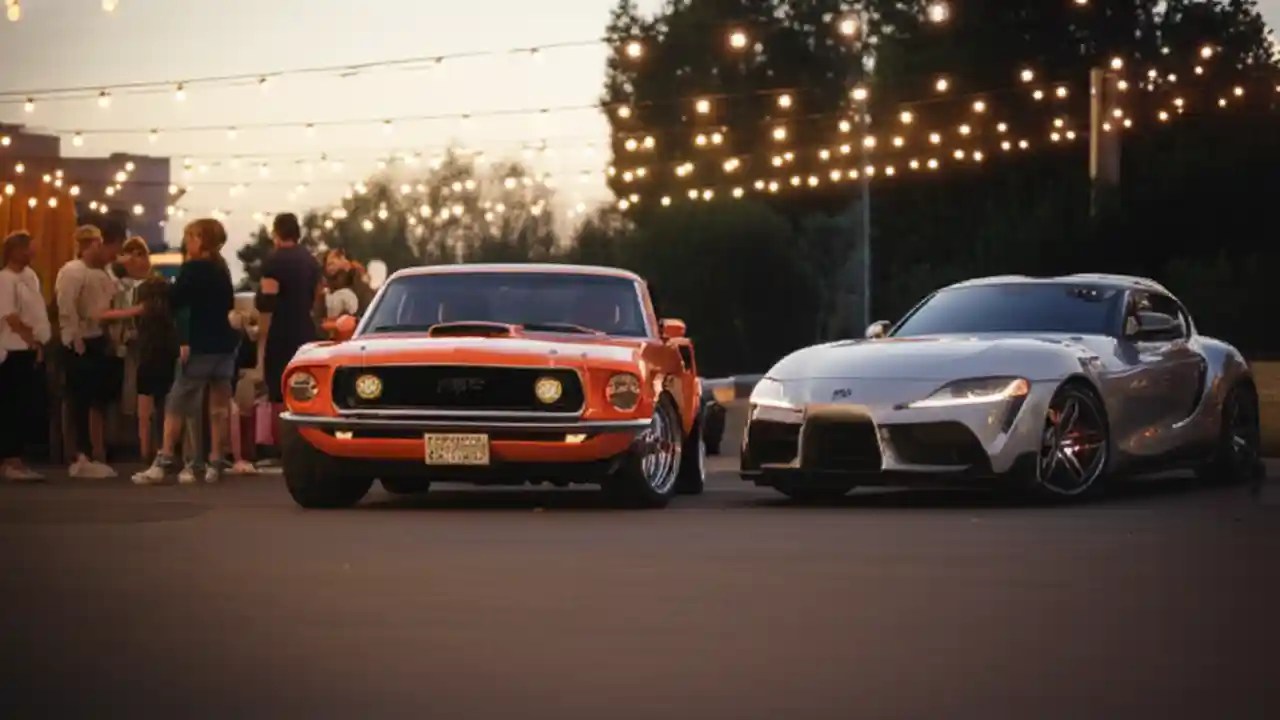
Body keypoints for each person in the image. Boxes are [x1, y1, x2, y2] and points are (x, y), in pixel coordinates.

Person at [132, 219, 239, 485]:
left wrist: (160, 287)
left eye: (191, 237)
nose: (186, 242)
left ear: (202, 240)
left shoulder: (193, 268)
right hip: (225, 346)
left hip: (200, 344)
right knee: (218, 408)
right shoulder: (221, 269)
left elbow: (176, 299)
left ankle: (165, 459)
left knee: (176, 403)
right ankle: (215, 461)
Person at [55, 224, 125, 478]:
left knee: (95, 398)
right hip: (78, 341)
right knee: (78, 399)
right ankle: (79, 454)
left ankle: (93, 451)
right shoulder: (72, 272)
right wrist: (74, 338)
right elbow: (67, 306)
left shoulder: (104, 272)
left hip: (98, 340)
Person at [256, 213, 322, 445]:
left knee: (278, 386)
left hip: (282, 329)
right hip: (305, 329)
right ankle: (305, 440)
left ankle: (282, 443)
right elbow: (316, 297)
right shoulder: (310, 260)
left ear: (276, 233)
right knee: (304, 385)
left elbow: (267, 301)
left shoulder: (274, 261)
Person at [0, 231, 53, 481]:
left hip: (31, 349)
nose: (33, 253)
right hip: (13, 350)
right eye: (28, 248)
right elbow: (10, 316)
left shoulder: (31, 276)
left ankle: (18, 457)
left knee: (27, 406)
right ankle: (10, 460)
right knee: (12, 406)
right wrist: (30, 340)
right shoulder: (5, 279)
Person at [132, 277, 179, 462]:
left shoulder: (142, 314)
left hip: (147, 360)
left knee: (144, 414)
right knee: (166, 410)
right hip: (167, 360)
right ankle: (166, 449)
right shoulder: (170, 318)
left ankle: (145, 452)